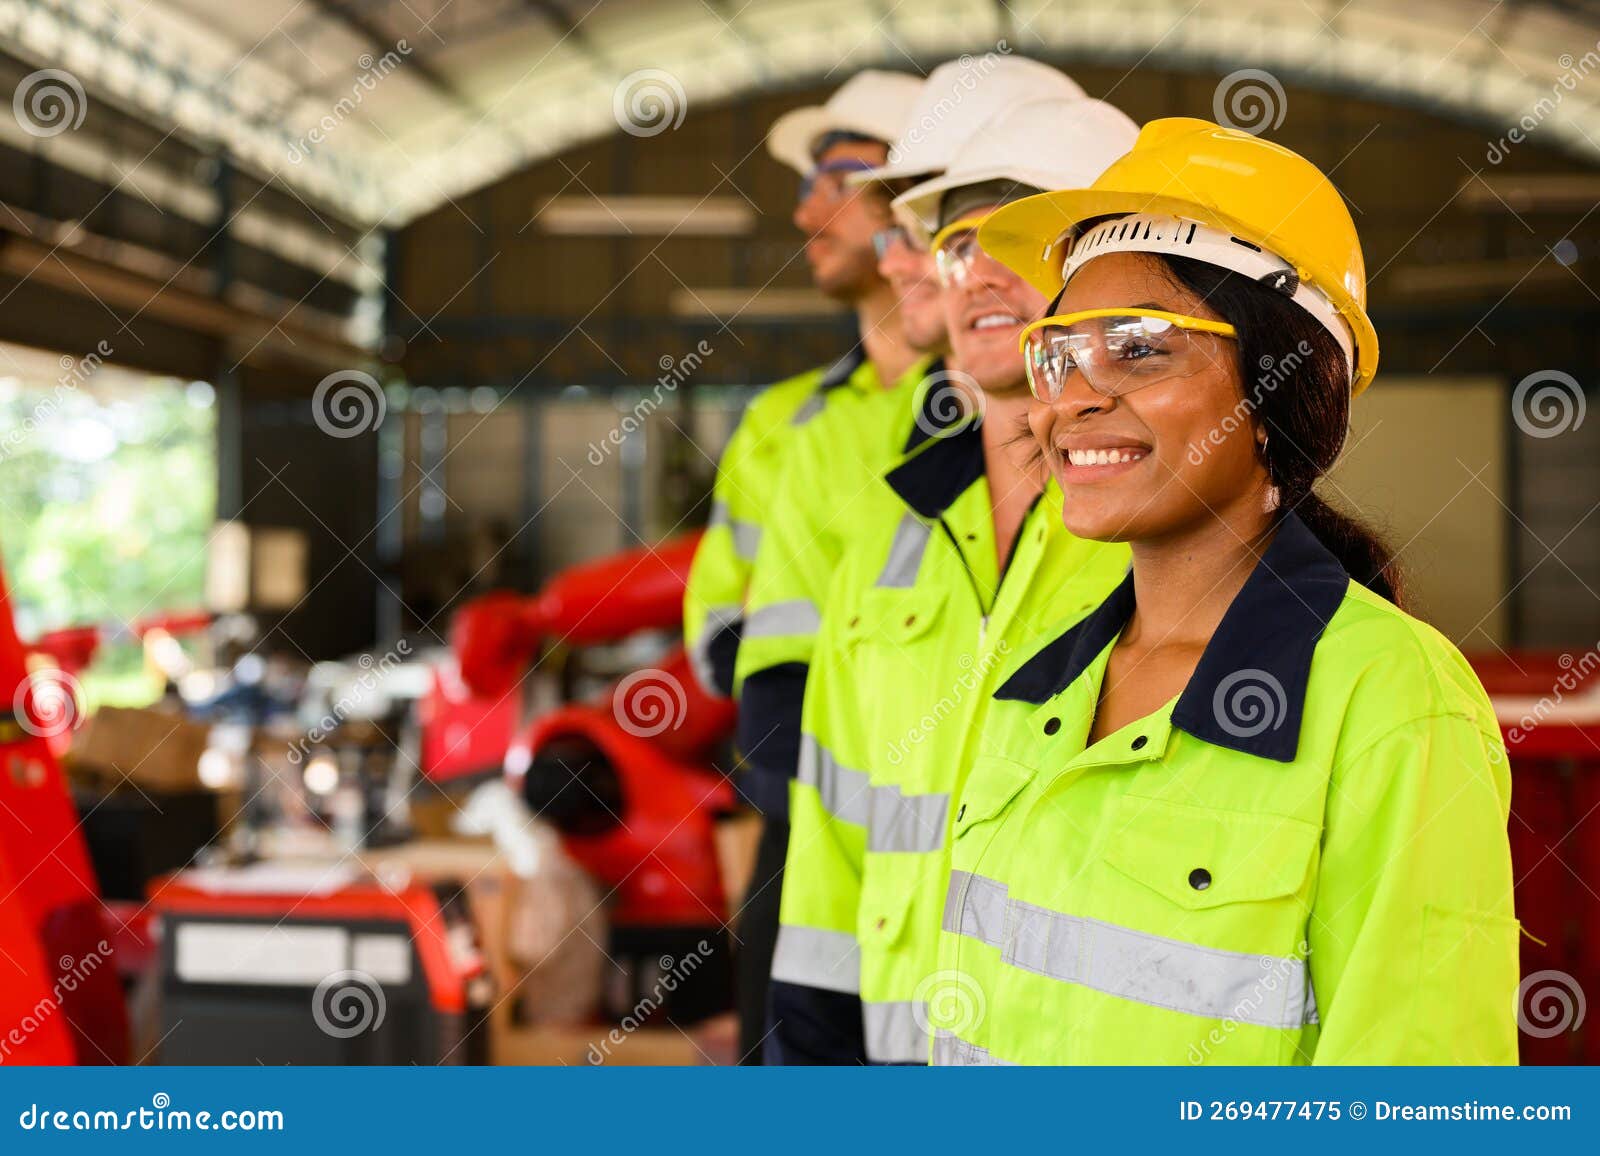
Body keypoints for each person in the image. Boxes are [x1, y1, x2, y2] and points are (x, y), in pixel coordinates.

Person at [933, 117, 1519, 1065]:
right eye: (1060, 353)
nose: (1071, 398)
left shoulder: (1392, 700)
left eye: (1138, 349)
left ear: (1278, 391)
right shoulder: (1037, 688)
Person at [766, 96, 1141, 1064]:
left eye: (1018, 236)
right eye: (959, 243)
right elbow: (831, 828)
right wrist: (807, 1051)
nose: (977, 270)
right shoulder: (889, 529)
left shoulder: (1163, 537)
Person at [681, 69, 926, 1064]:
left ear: (921, 198)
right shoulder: (784, 422)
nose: (805, 211)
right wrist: (780, 731)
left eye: (838, 181)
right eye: (806, 186)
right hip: (803, 805)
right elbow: (721, 611)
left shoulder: (1011, 418)